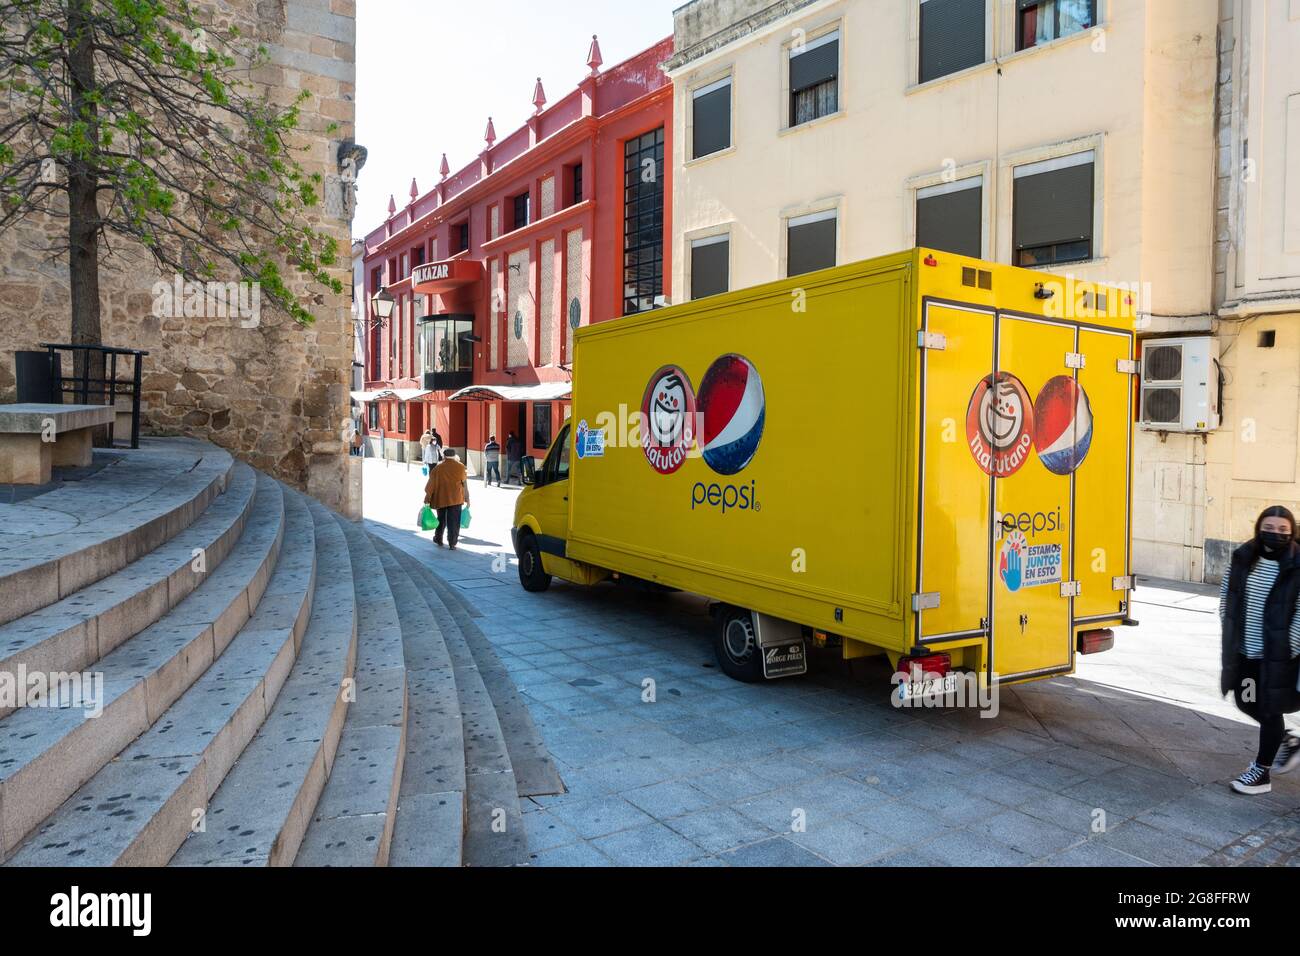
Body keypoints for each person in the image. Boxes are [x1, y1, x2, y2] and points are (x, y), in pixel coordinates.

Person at [1219, 505, 1300, 795]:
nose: (1275, 533)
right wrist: (1226, 625)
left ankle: (1262, 772)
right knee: (1245, 700)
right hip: (1245, 650)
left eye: (1282, 529)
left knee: (1269, 709)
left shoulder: (1296, 563)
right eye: (1270, 527)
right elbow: (1228, 595)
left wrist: (1290, 646)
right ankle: (1288, 740)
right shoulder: (1244, 557)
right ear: (1259, 527)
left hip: (1276, 655)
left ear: (1291, 532)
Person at [424, 447, 470, 550]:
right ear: (454, 456)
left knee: (441, 519)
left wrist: (427, 498)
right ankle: (452, 543)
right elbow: (464, 483)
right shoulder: (461, 467)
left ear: (444, 456)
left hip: (441, 498)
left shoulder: (437, 468)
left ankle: (438, 538)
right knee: (454, 521)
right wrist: (467, 497)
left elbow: (431, 485)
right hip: (456, 499)